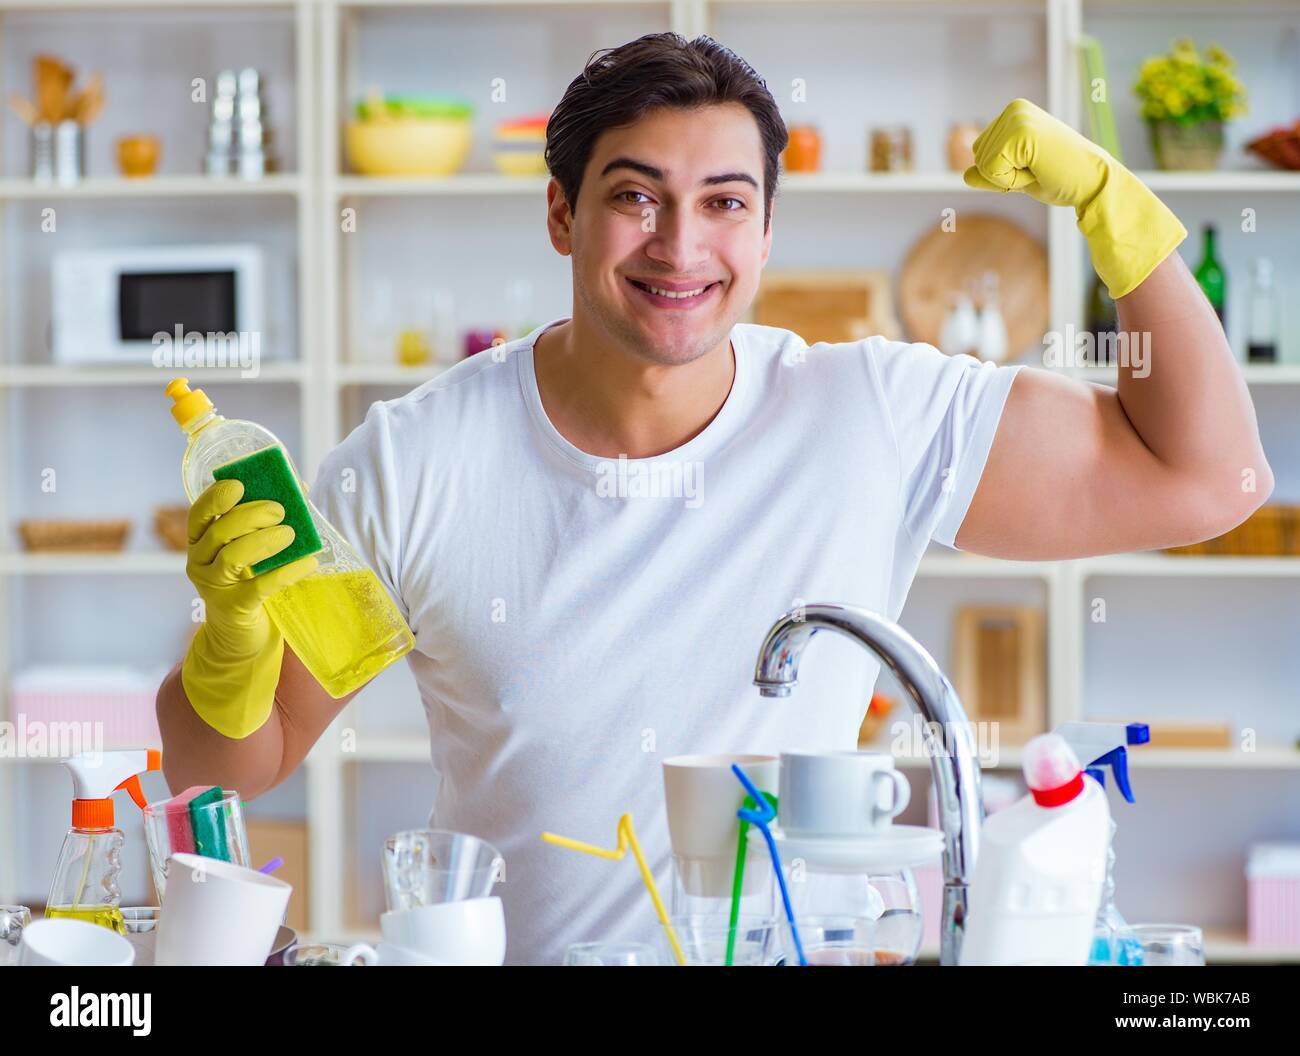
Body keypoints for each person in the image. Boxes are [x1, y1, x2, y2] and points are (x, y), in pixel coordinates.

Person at [156, 33, 1272, 965]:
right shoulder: (414, 459)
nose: (681, 245)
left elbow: (1207, 479)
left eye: (724, 203)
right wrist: (230, 649)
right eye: (634, 196)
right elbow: (227, 770)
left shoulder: (872, 413)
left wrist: (1115, 212)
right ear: (561, 213)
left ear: (767, 229)